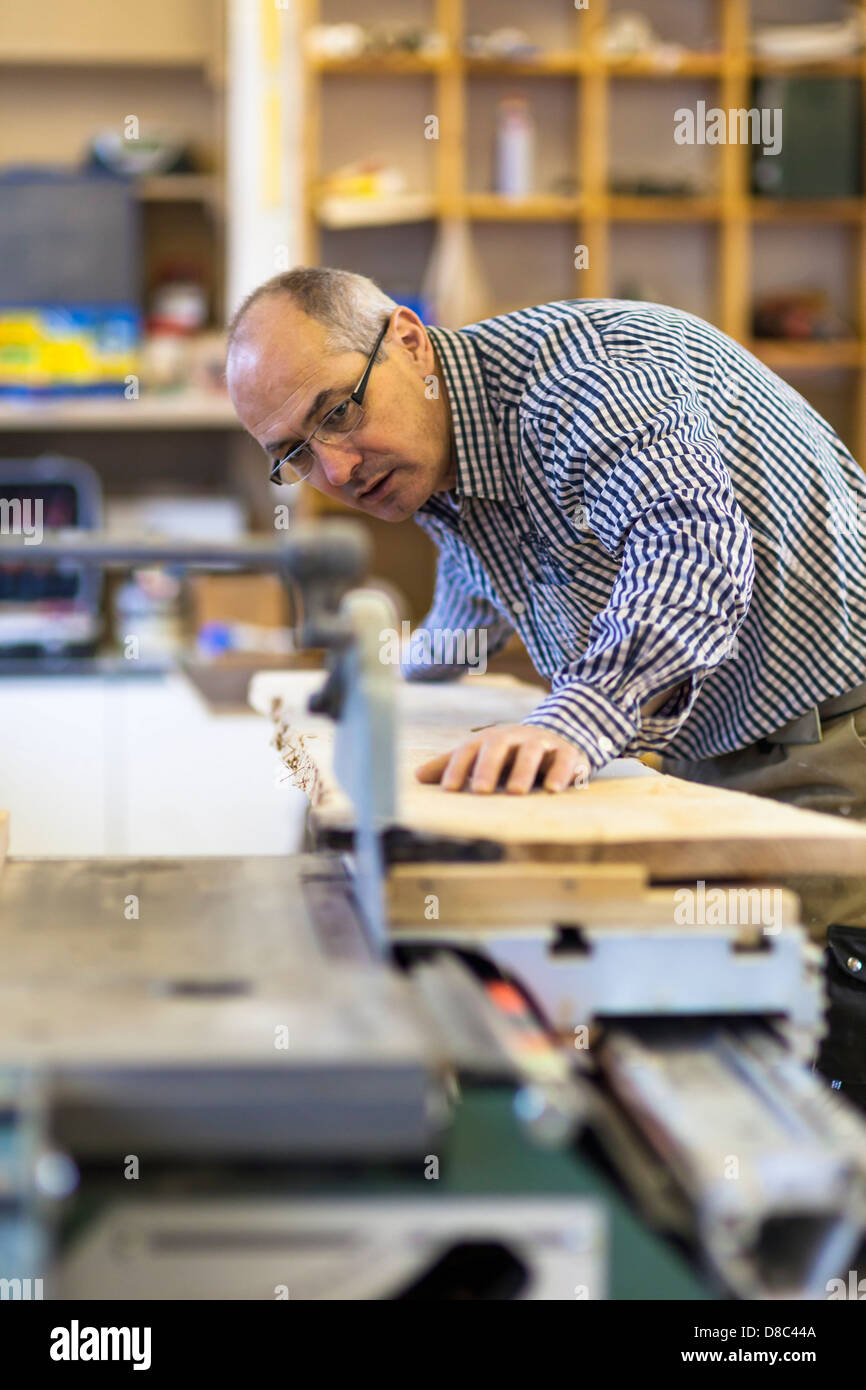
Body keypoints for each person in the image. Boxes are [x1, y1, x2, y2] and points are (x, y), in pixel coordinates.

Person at [226, 266, 866, 1099]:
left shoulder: (586, 383)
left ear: (410, 342)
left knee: (786, 1058)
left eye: (338, 413)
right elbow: (471, 591)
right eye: (297, 455)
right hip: (723, 752)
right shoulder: (436, 451)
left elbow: (693, 553)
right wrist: (382, 686)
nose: (338, 471)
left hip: (837, 741)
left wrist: (572, 722)